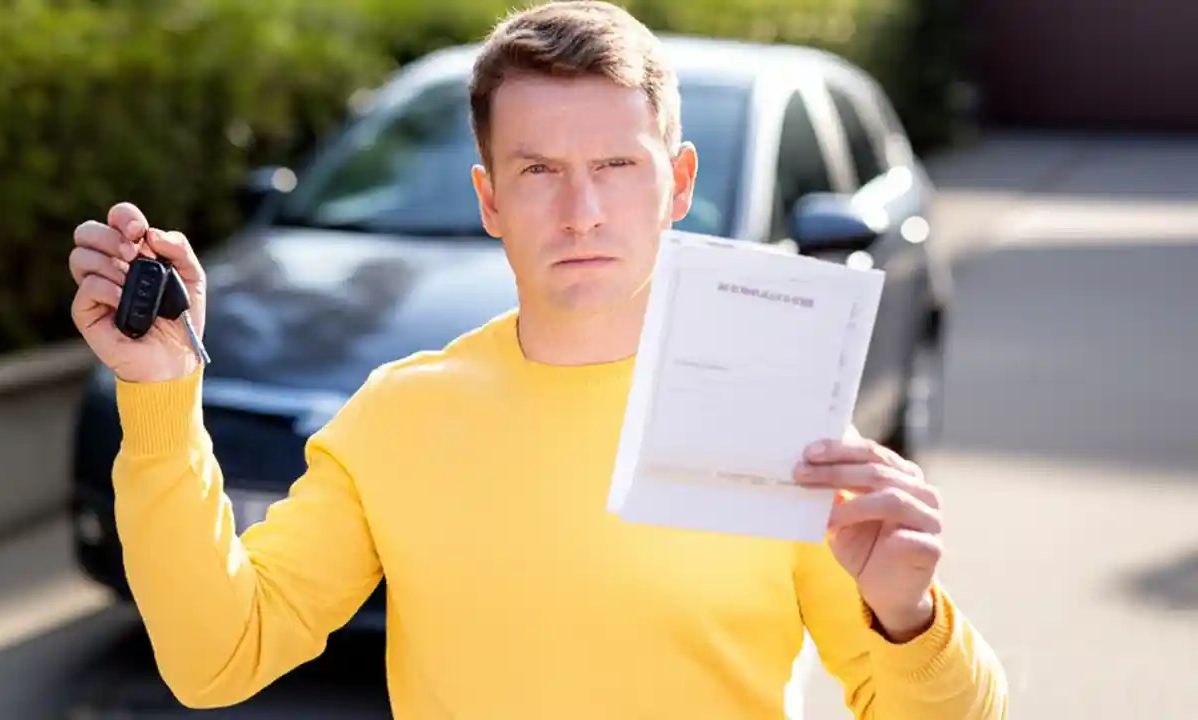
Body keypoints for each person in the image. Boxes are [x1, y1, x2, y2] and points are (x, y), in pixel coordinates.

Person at [67, 1, 1007, 717]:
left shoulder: (772, 413)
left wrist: (910, 619)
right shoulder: (400, 418)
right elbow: (215, 658)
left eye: (614, 166)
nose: (581, 211)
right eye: (539, 171)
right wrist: (160, 399)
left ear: (676, 182)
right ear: (490, 200)